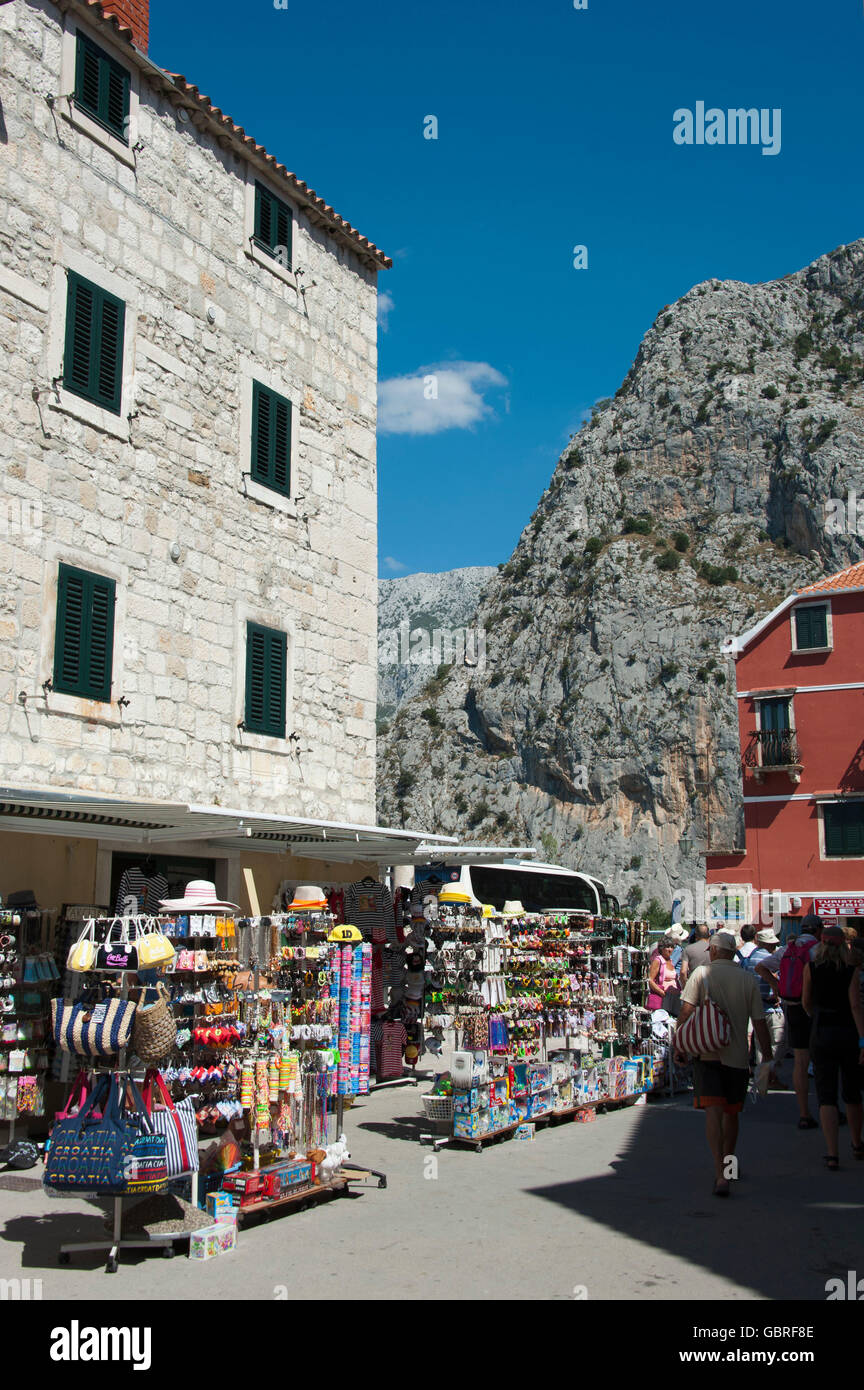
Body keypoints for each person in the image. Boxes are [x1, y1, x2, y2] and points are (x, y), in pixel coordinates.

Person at [676, 929, 773, 1196]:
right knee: (732, 1114)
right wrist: (768, 1056)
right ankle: (729, 1167)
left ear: (715, 951)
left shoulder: (700, 975)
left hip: (707, 1054)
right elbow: (760, 1022)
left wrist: (679, 1045)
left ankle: (720, 1173)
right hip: (737, 1058)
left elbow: (685, 1012)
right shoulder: (747, 979)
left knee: (713, 1113)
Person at [801, 925, 864, 1169]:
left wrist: (815, 1017)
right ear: (843, 946)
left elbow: (806, 1001)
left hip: (821, 1032)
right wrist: (862, 1041)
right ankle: (857, 1143)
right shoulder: (850, 970)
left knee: (826, 1095)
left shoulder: (812, 968)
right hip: (847, 1032)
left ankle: (832, 1153)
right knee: (851, 1092)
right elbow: (855, 1006)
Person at [756, 913, 822, 1129]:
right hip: (816, 1009)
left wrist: (778, 987)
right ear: (819, 930)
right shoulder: (819, 950)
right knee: (822, 1062)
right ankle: (828, 1106)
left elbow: (761, 968)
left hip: (792, 1008)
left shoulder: (787, 948)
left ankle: (804, 1113)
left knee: (800, 1062)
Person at [748, 927, 786, 1088]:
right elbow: (778, 977)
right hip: (772, 1007)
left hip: (756, 1006)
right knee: (777, 1045)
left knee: (760, 1046)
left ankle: (763, 1078)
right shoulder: (769, 958)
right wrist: (777, 989)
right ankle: (772, 1077)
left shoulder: (750, 958)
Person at [648, 940, 680, 1012]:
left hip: (673, 999)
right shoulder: (658, 960)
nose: (670, 949)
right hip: (663, 999)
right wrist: (662, 993)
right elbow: (650, 980)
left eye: (672, 947)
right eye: (667, 947)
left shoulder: (670, 961)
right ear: (661, 949)